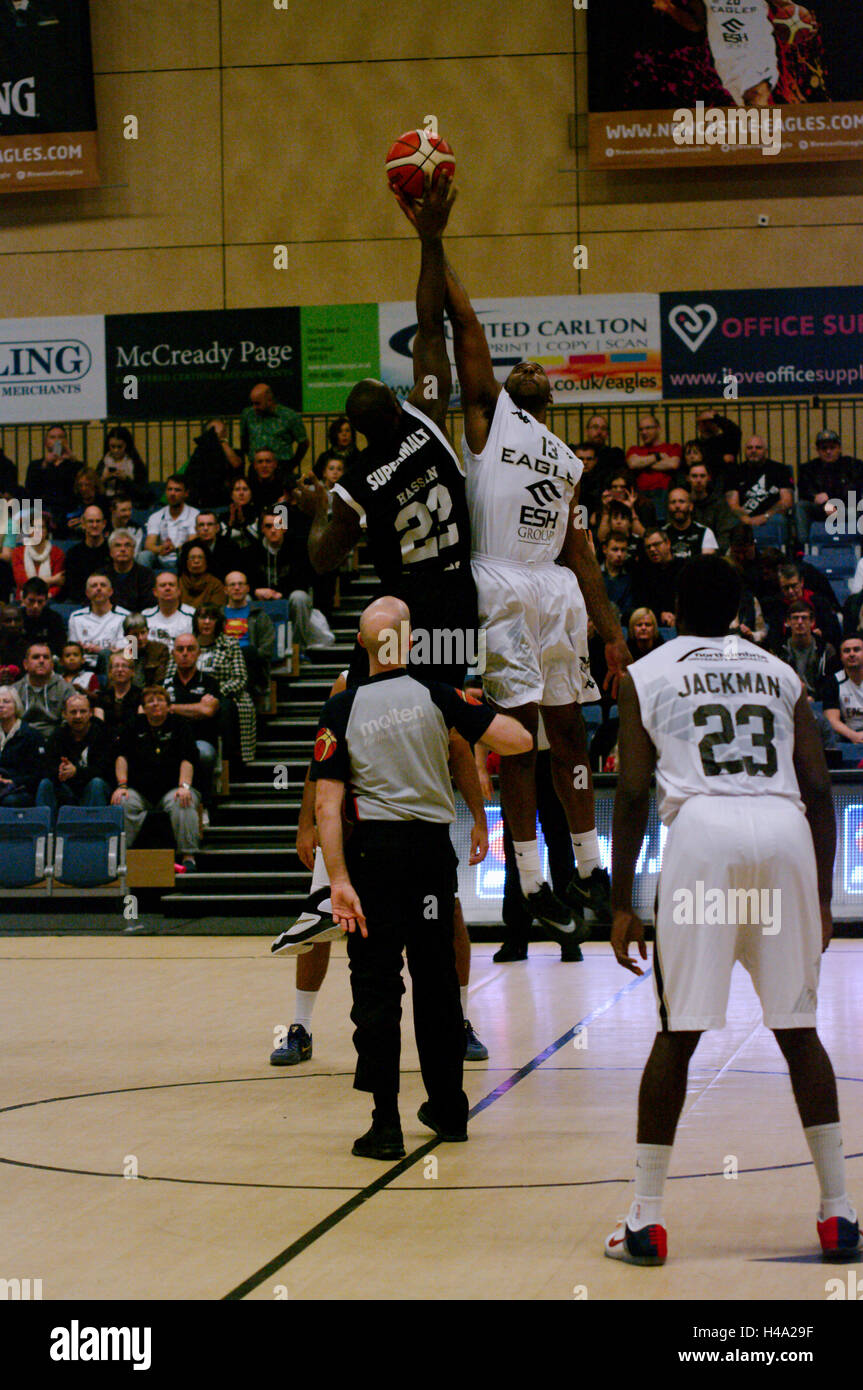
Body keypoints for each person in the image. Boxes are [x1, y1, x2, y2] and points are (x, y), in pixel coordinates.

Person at [606, 552, 858, 1264]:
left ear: (678, 610)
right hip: (780, 837)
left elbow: (628, 792)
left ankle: (645, 1220)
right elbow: (815, 784)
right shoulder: (780, 674)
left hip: (703, 838)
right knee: (798, 1028)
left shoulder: (647, 672)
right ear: (740, 612)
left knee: (677, 1031)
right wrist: (820, 891)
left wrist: (621, 900)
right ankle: (838, 1213)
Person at [426, 192, 630, 934]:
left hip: (554, 592)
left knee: (567, 735)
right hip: (501, 582)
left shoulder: (563, 460)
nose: (534, 365)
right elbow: (467, 326)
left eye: (543, 367)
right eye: (524, 363)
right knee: (515, 741)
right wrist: (434, 241)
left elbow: (579, 554)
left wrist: (609, 630)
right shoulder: (489, 418)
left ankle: (587, 868)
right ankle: (530, 878)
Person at [310, 596, 531, 1158]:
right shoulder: (439, 697)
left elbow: (328, 808)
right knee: (436, 982)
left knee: (377, 987)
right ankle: (450, 1110)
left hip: (373, 860)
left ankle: (385, 1124)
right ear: (409, 642)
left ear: (361, 645)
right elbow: (518, 741)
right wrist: (486, 710)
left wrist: (338, 878)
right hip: (431, 857)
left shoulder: (342, 707)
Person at [113, 686, 202, 872]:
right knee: (121, 801)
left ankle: (188, 856)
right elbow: (121, 757)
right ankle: (120, 858)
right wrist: (122, 785)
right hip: (139, 790)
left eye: (160, 700)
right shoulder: (133, 725)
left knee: (184, 800)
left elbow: (188, 759)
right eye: (150, 702)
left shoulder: (180, 725)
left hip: (171, 788)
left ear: (169, 706)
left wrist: (184, 786)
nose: (155, 704)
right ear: (143, 708)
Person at [250, 507, 334, 650]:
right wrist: (255, 591)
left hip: (289, 599)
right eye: (268, 526)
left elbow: (304, 581)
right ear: (262, 529)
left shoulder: (298, 549)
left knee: (299, 597)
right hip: (261, 601)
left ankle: (297, 649)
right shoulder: (252, 551)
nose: (273, 530)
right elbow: (246, 580)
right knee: (243, 598)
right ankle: (253, 651)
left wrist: (280, 593)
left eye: (278, 525)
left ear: (284, 528)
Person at [35, 689, 114, 824]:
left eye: (82, 711)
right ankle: (45, 836)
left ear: (90, 713)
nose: (78, 716)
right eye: (73, 712)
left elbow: (106, 770)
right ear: (64, 715)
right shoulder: (58, 736)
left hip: (94, 788)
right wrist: (60, 771)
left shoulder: (103, 734)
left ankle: (92, 835)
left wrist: (76, 771)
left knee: (97, 783)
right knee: (45, 784)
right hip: (67, 788)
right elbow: (45, 768)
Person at [191, 606, 256, 764]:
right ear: (195, 621)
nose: (207, 622)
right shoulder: (186, 643)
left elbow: (240, 678)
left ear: (218, 622)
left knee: (225, 707)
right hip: (190, 694)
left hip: (224, 695)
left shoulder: (230, 644)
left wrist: (214, 692)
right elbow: (171, 675)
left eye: (212, 618)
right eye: (202, 618)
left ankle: (229, 761)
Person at [163, 634, 221, 804]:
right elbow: (156, 712)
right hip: (170, 741)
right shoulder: (164, 684)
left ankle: (204, 805)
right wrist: (196, 708)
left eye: (190, 649)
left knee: (203, 753)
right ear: (173, 653)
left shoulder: (210, 682)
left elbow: (208, 710)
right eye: (180, 649)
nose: (185, 654)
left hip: (200, 740)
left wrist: (172, 708)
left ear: (199, 653)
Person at [796, 428, 863, 542]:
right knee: (800, 507)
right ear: (817, 450)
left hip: (847, 509)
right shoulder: (808, 468)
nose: (828, 452)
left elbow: (853, 490)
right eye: (824, 448)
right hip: (820, 510)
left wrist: (831, 501)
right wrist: (818, 501)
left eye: (832, 448)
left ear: (839, 448)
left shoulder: (854, 465)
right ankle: (803, 547)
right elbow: (804, 490)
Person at [725, 435, 794, 536]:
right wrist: (747, 519)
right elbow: (733, 505)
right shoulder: (734, 472)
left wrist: (765, 516)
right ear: (745, 451)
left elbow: (786, 501)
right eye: (749, 448)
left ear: (766, 451)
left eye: (758, 447)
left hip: (771, 517)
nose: (753, 450)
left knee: (779, 520)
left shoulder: (780, 469)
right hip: (743, 519)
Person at [222, 571, 275, 699]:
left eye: (241, 584)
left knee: (249, 652)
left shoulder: (259, 615)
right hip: (224, 663)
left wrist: (243, 656)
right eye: (232, 585)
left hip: (251, 664)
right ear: (225, 590)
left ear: (247, 589)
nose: (237, 588)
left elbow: (267, 649)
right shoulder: (218, 615)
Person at [24, 426, 82, 536]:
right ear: (46, 442)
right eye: (52, 437)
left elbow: (79, 487)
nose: (57, 440)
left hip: (68, 509)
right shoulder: (36, 465)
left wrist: (72, 460)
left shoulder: (75, 465)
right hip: (43, 509)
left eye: (60, 437)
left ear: (66, 441)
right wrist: (45, 464)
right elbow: (30, 489)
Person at [240, 382, 308, 474]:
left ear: (269, 400)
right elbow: (244, 440)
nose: (254, 407)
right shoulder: (248, 414)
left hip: (282, 467)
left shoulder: (289, 416)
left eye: (257, 403)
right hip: (256, 468)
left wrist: (292, 464)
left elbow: (303, 442)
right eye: (252, 403)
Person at [777, 600, 838, 703]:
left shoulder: (826, 650)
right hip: (788, 701)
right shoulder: (779, 650)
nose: (800, 622)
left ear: (812, 622)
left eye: (804, 618)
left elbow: (831, 684)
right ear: (788, 622)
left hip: (820, 702)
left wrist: (815, 698)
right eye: (795, 618)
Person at [67, 573, 130, 671]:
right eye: (94, 586)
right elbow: (72, 649)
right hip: (82, 666)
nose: (99, 588)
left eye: (103, 585)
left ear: (111, 591)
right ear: (87, 593)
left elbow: (125, 651)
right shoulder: (76, 617)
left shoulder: (124, 616)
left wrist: (100, 650)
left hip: (112, 666)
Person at [0, 685, 47, 807]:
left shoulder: (31, 735)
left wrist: (13, 781)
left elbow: (39, 772)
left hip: (20, 788)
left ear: (16, 706)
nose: (1, 705)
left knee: (10, 801)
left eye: (6, 702)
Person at [625, 414, 682, 513]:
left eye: (648, 428)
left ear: (658, 428)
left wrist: (643, 464)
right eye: (641, 429)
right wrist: (658, 456)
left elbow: (673, 464)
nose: (644, 432)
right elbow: (633, 464)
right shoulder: (634, 450)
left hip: (664, 494)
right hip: (640, 495)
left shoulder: (672, 447)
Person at [183, 420, 244, 511]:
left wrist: (222, 441)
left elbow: (236, 464)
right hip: (202, 502)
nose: (217, 434)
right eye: (214, 431)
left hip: (226, 501)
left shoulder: (233, 452)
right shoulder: (200, 452)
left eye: (222, 431)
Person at [13, 641, 72, 737]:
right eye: (36, 657)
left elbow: (69, 723)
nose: (41, 661)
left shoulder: (66, 689)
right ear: (25, 664)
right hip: (22, 741)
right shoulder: (14, 690)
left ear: (52, 664)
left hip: (55, 741)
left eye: (46, 657)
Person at [144, 476, 199, 570]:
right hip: (161, 559)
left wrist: (175, 549)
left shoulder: (195, 515)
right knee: (144, 555)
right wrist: (160, 549)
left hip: (183, 558)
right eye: (169, 489)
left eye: (177, 490)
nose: (172, 493)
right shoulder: (156, 516)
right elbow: (149, 545)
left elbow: (192, 542)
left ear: (186, 493)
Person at [633, 530, 684, 628]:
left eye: (656, 544)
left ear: (668, 543)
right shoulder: (643, 572)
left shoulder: (684, 568)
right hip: (653, 623)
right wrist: (659, 614)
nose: (652, 549)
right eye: (648, 547)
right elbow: (640, 603)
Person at [687, 456, 736, 552]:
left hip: (713, 555)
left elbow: (724, 535)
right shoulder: (682, 502)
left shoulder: (719, 503)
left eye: (702, 476)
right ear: (688, 478)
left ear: (708, 478)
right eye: (694, 476)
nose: (698, 480)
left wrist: (711, 554)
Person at [63, 505, 111, 604]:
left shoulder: (112, 551)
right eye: (90, 521)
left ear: (104, 524)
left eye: (98, 521)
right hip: (80, 603)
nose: (94, 525)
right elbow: (71, 587)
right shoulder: (73, 554)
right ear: (83, 524)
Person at [823, 636, 863, 747]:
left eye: (856, 649)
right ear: (841, 657)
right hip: (847, 736)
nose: (851, 654)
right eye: (846, 651)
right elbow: (832, 720)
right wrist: (854, 736)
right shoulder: (833, 682)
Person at [11, 519, 65, 599]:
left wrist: (45, 597)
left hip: (49, 598)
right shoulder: (18, 552)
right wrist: (52, 580)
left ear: (47, 531)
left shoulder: (57, 553)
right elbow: (22, 583)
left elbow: (58, 583)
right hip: (23, 598)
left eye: (42, 527)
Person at [104, 529, 155, 613]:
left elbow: (149, 607)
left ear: (134, 550)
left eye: (127, 545)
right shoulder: (102, 576)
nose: (123, 549)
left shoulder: (146, 575)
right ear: (110, 552)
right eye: (118, 545)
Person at [663, 482, 718, 559]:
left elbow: (707, 565)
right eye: (673, 502)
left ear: (691, 506)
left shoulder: (705, 532)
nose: (677, 506)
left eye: (681, 501)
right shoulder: (662, 534)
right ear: (668, 507)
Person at [97, 426, 149, 505]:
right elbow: (94, 488)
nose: (116, 450)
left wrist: (126, 480)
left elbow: (143, 491)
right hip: (107, 502)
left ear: (126, 445)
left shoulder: (135, 463)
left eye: (119, 447)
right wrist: (103, 479)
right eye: (113, 446)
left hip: (130, 502)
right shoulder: (104, 462)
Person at [93, 651, 142, 734]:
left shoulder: (141, 695)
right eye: (116, 666)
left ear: (132, 671)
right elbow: (99, 726)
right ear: (110, 672)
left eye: (124, 666)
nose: (120, 669)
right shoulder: (101, 697)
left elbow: (140, 723)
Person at [141, 571, 195, 646]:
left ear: (179, 590)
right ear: (155, 592)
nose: (167, 588)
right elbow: (133, 643)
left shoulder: (192, 615)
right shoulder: (145, 616)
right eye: (163, 585)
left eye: (171, 585)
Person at [19, 577, 67, 656]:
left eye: (40, 602)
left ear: (46, 601)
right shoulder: (15, 618)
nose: (35, 606)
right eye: (31, 601)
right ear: (23, 599)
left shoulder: (54, 618)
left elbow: (59, 647)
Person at [121, 613, 170, 689]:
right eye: (135, 634)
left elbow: (159, 680)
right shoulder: (122, 655)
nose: (140, 638)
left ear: (148, 631)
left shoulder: (160, 650)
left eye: (143, 633)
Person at [176, 540, 226, 610]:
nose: (196, 561)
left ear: (206, 561)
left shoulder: (216, 585)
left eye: (200, 557)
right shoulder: (177, 584)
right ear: (186, 561)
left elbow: (216, 613)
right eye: (192, 558)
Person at [194, 511, 242, 581]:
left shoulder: (231, 547)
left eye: (210, 524)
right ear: (196, 529)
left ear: (217, 528)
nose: (205, 528)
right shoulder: (189, 548)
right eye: (201, 525)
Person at [600, 534, 634, 625]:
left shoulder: (632, 577)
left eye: (623, 550)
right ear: (605, 549)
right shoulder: (594, 574)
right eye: (615, 550)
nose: (619, 554)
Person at [65, 467, 109, 536]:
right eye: (80, 485)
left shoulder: (104, 503)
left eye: (87, 485)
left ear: (95, 485)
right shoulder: (72, 501)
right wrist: (67, 526)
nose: (83, 488)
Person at [247, 447, 290, 514]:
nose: (264, 465)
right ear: (255, 466)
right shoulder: (248, 487)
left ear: (275, 464)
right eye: (260, 462)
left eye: (268, 461)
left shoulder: (285, 486)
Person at [0, 604, 26, 683]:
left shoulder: (30, 649)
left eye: (17, 620)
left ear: (22, 622)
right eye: (8, 621)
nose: (13, 624)